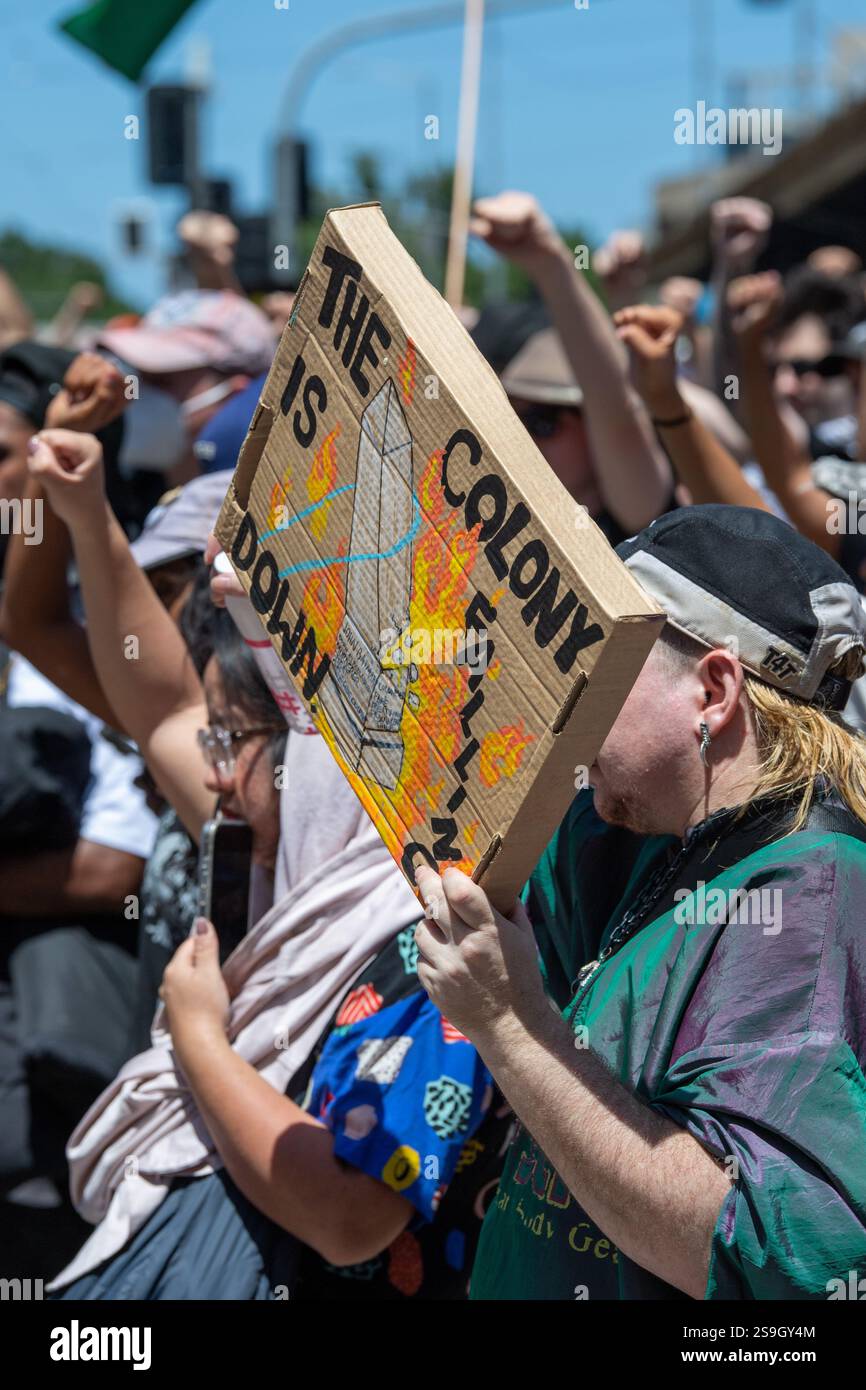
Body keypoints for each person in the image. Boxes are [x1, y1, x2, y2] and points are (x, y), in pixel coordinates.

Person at [28, 429, 508, 1300]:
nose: (208, 767)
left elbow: (352, 1215)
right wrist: (85, 511)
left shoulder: (436, 941)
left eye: (235, 738)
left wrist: (201, 1037)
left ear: (313, 761)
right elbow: (161, 701)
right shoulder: (284, 870)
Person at [413, 503, 866, 1300]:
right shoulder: (645, 837)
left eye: (594, 675)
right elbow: (454, 803)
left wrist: (513, 1031)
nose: (569, 716)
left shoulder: (805, 896)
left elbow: (771, 1255)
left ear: (714, 691)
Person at [470, 191, 672, 539]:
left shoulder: (636, 512)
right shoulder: (484, 522)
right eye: (513, 422)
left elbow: (615, 406)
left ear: (592, 426)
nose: (526, 440)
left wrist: (549, 262)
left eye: (542, 422)